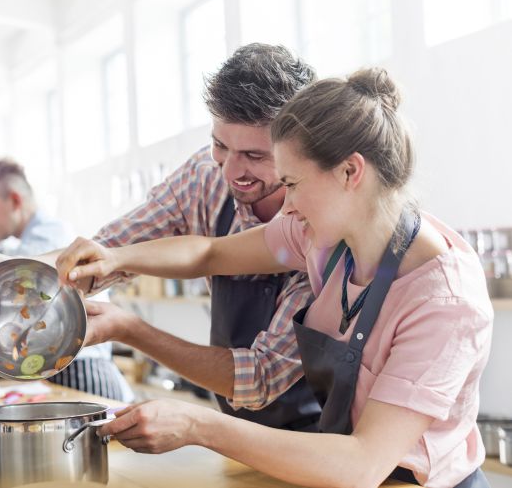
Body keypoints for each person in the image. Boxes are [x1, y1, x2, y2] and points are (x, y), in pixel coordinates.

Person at [55, 68, 492, 488]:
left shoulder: (445, 303)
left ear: (349, 172)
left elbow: (361, 463)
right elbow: (209, 252)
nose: (288, 204)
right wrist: (114, 257)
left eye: (293, 183)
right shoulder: (322, 240)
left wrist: (198, 424)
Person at [0, 43, 320, 430]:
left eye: (255, 156)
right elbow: (115, 247)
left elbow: (259, 379)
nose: (231, 171)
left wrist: (129, 328)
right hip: (239, 430)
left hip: (314, 437)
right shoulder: (204, 176)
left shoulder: (318, 225)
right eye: (220, 145)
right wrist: (20, 273)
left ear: (298, 147)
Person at [0, 159, 133, 401]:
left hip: (82, 370)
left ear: (14, 201)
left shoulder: (48, 235)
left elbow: (13, 297)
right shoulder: (28, 238)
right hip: (60, 369)